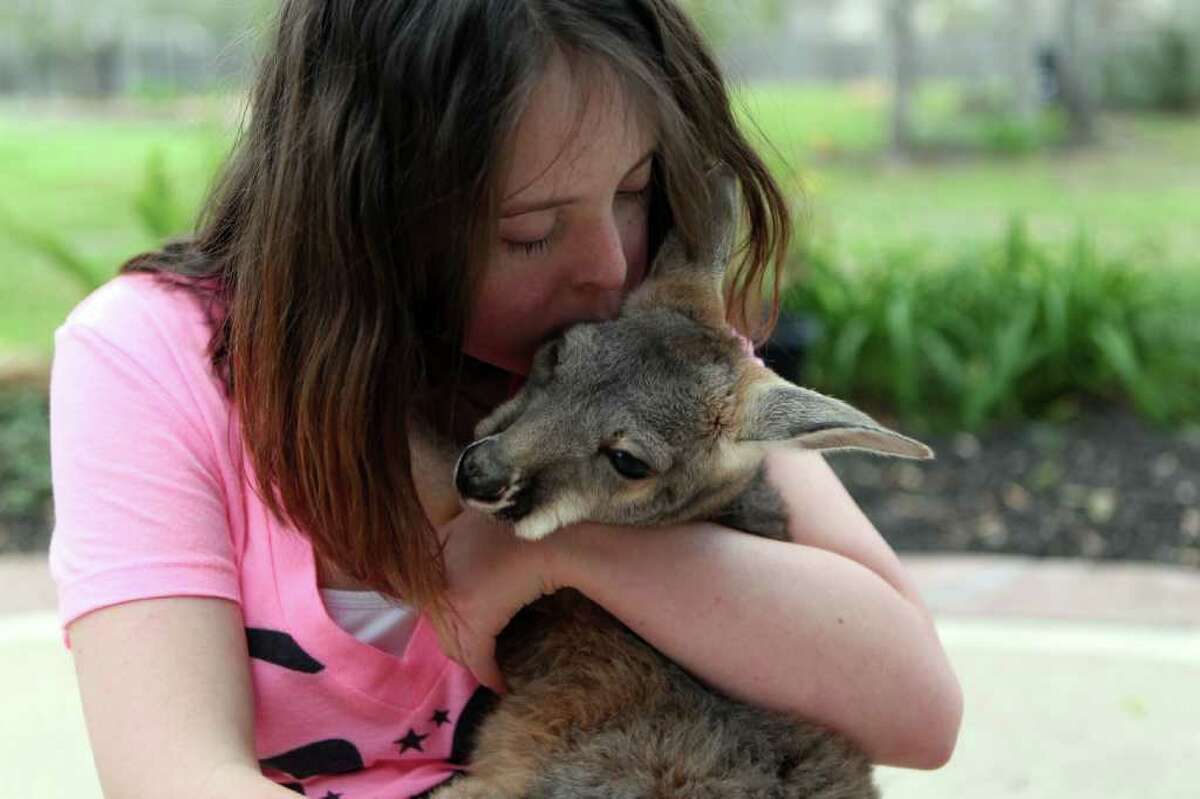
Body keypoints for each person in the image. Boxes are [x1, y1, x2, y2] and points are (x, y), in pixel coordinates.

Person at [48, 2, 963, 797]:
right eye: (530, 232)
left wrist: (565, 549)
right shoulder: (153, 360)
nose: (608, 266)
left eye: (635, 191)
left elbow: (918, 710)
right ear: (367, 212)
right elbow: (170, 774)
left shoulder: (648, 360)